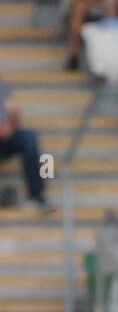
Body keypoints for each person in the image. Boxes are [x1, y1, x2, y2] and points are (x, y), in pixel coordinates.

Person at [0, 80, 53, 213]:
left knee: (28, 137)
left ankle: (36, 195)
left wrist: (11, 123)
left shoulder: (3, 86)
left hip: (5, 138)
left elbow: (14, 115)